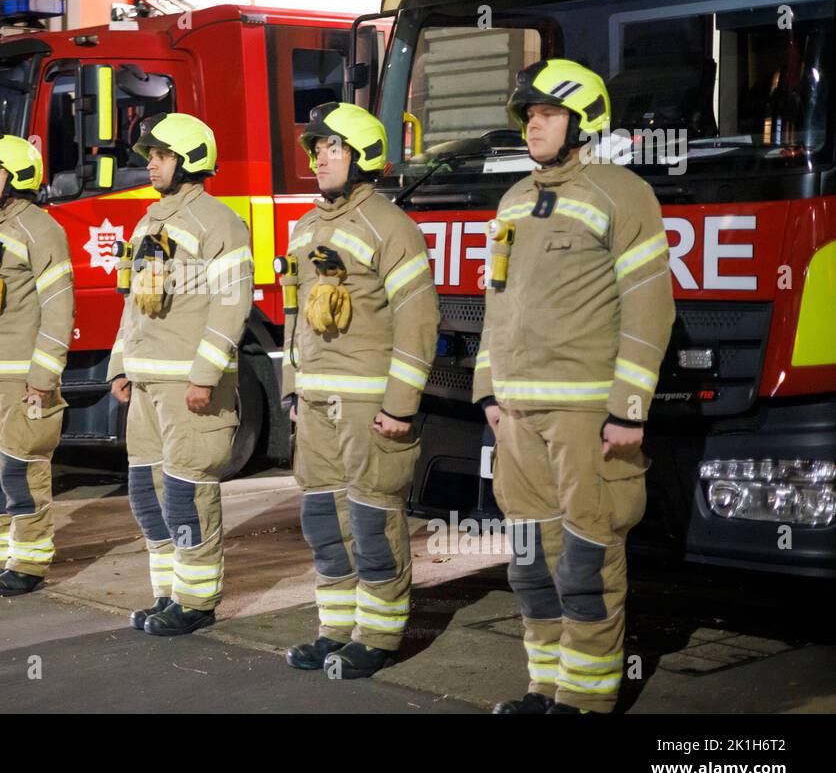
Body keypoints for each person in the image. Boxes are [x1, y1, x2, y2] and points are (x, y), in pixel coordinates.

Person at [476, 59, 674, 714]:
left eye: (547, 113)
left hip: (588, 415)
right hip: (518, 416)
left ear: (584, 122)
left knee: (587, 558)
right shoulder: (511, 201)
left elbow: (649, 306)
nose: (533, 124)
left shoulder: (621, 192)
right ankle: (545, 689)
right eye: (528, 115)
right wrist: (488, 395)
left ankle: (586, 702)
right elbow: (496, 303)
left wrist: (628, 410)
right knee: (532, 562)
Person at [280, 102, 439, 679]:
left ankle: (378, 635)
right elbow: (293, 314)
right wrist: (292, 389)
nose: (320, 157)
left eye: (333, 148)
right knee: (323, 519)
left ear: (363, 156)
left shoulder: (390, 226)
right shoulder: (306, 226)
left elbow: (419, 321)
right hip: (317, 404)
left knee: (372, 519)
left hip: (371, 404)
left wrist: (401, 405)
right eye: (317, 148)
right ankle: (335, 630)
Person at [107, 112, 253, 636]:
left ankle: (195, 602)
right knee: (146, 495)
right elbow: (133, 304)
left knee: (187, 496)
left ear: (190, 161)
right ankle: (167, 595)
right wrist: (119, 365)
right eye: (150, 155)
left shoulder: (220, 222)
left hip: (187, 386)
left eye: (161, 155)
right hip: (145, 384)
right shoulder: (149, 222)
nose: (150, 164)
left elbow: (231, 305)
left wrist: (206, 375)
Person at [0, 135, 74, 596]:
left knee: (21, 470)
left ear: (19, 177)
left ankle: (28, 563)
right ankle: (1, 557)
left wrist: (43, 377)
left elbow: (59, 306)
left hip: (20, 377)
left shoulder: (40, 229)